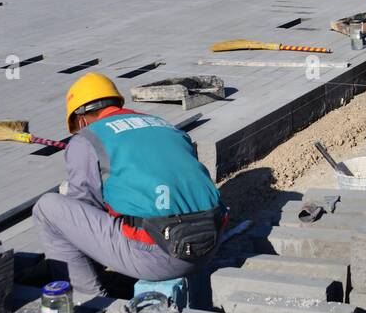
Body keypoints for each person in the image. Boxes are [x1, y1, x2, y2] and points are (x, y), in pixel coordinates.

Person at [32, 73, 227, 298]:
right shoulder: (163, 125)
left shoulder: (87, 139)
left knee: (48, 207)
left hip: (158, 257)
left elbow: (84, 210)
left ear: (82, 118)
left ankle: (86, 299)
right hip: (209, 244)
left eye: (77, 126)